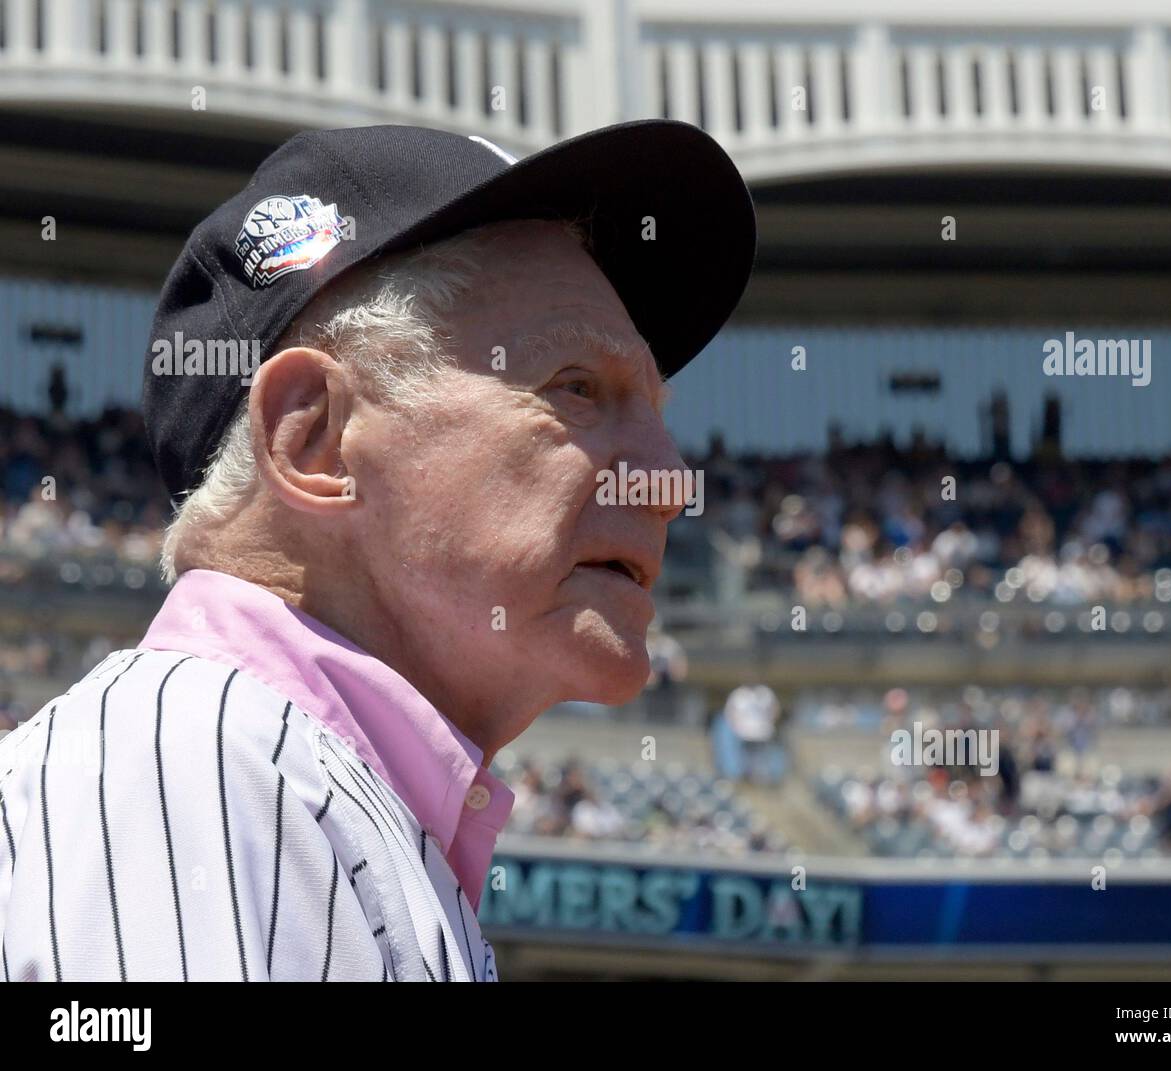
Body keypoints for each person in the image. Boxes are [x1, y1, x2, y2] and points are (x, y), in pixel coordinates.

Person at [0, 121, 755, 981]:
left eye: (656, 411)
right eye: (578, 388)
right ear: (316, 439)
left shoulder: (296, 785)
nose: (669, 481)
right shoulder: (201, 757)